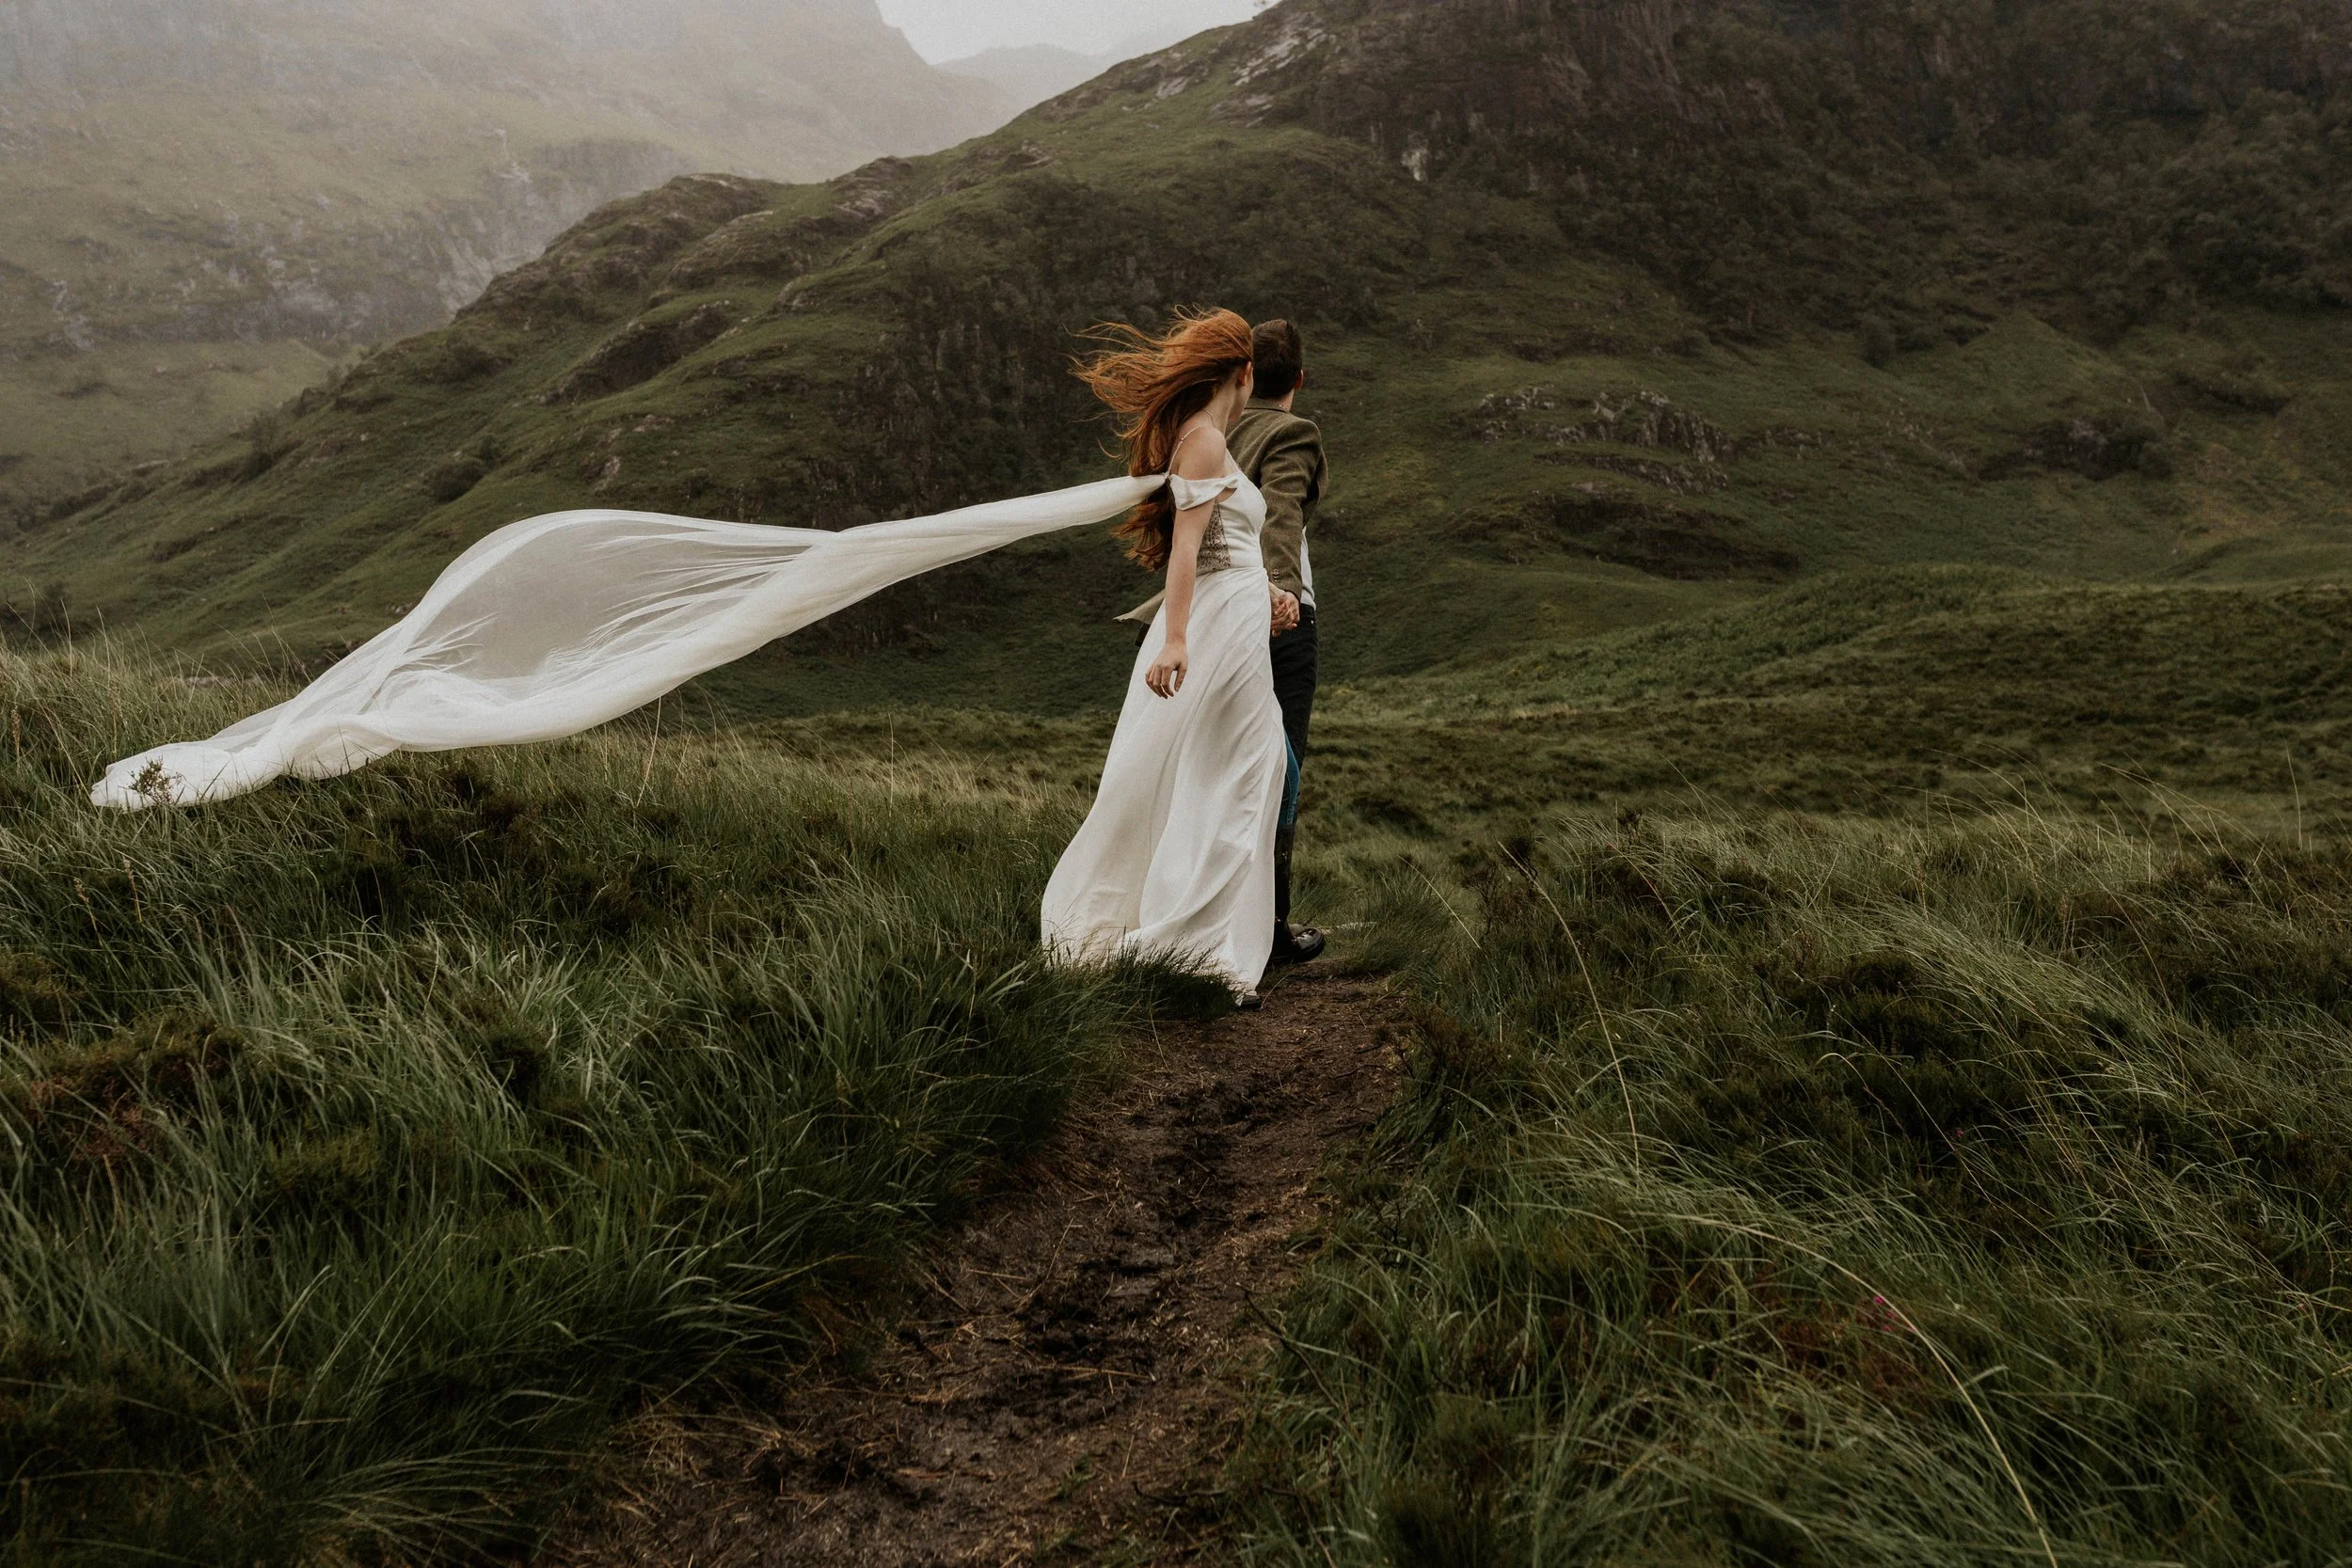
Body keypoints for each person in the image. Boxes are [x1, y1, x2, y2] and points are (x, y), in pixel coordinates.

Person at [1042, 309, 1292, 1006]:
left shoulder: (1204, 439)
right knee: (1242, 773)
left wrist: (1268, 589)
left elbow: (1221, 546)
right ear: (1243, 374)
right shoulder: (1207, 441)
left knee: (1239, 769)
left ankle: (1198, 942)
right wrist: (1177, 637)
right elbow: (1188, 550)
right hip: (1218, 627)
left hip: (1236, 615)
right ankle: (1191, 953)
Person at [1120, 319, 1327, 966]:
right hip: (1256, 624)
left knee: (1217, 769)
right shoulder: (1276, 433)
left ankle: (1218, 922)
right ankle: (1264, 926)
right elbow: (1279, 517)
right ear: (1293, 378)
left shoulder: (1219, 429)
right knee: (1271, 771)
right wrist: (1284, 597)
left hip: (1235, 609)